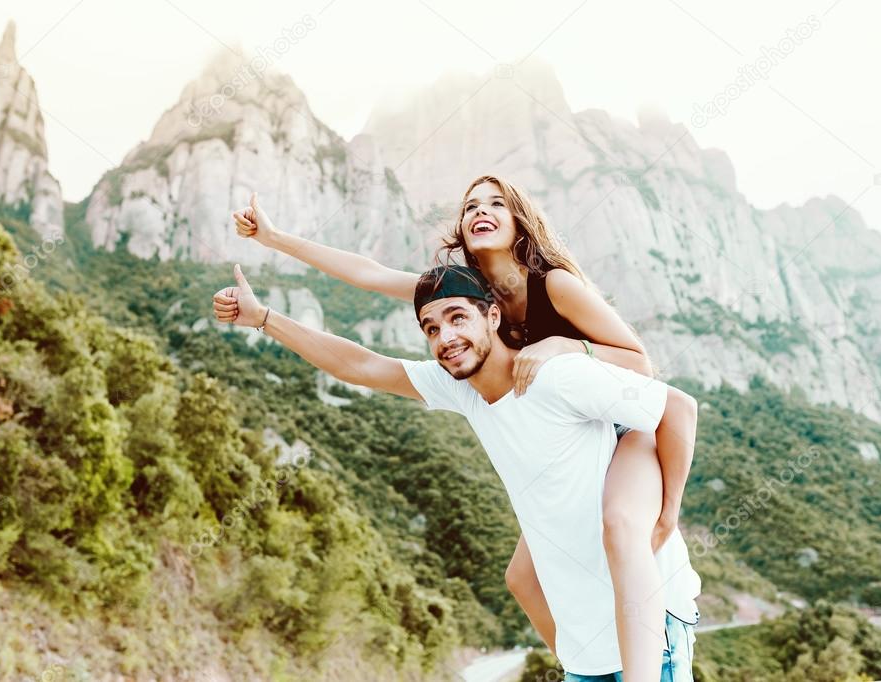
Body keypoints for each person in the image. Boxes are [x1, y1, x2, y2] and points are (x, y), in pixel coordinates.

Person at [228, 175, 694, 681]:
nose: (481, 211)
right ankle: (584, 666)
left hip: (621, 422)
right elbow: (368, 285)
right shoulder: (460, 294)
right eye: (471, 205)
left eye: (496, 203)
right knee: (521, 578)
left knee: (623, 526)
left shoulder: (552, 284)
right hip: (560, 420)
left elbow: (640, 365)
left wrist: (566, 346)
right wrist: (273, 245)